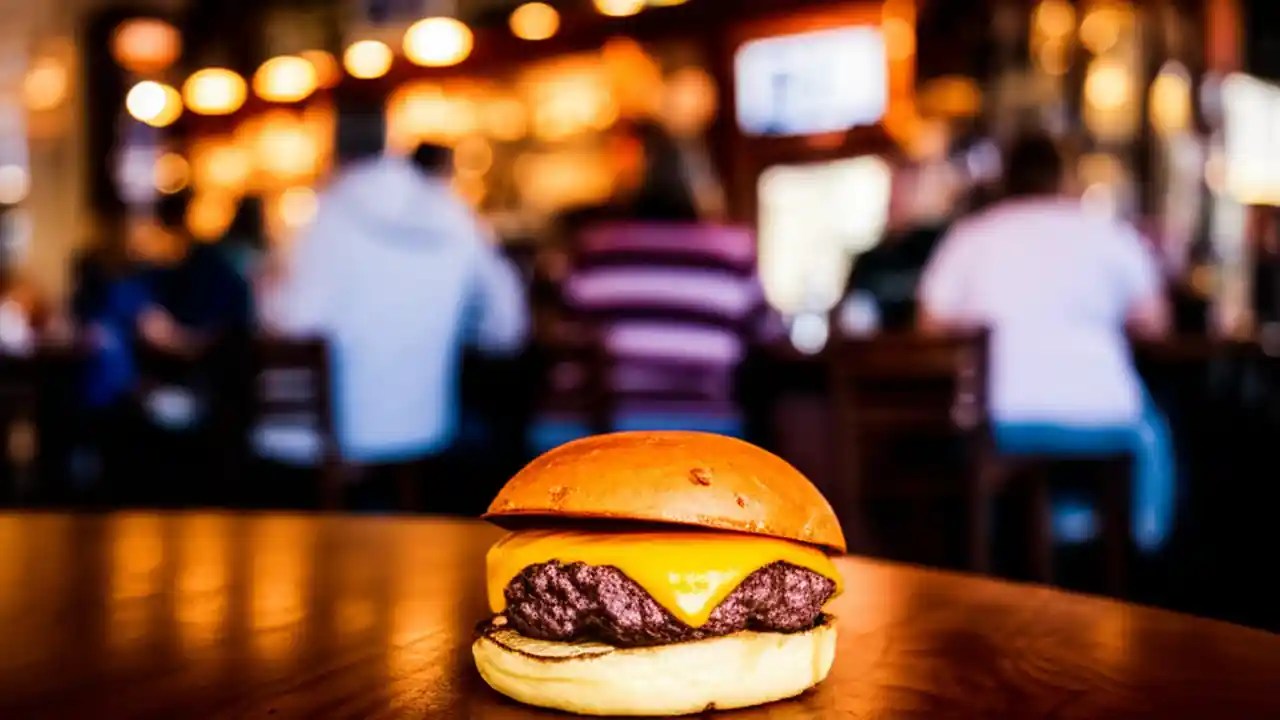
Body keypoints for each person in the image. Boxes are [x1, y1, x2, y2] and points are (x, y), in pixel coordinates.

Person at [918, 132, 1176, 552]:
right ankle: (1138, 550)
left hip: (998, 417)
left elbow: (929, 326)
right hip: (1102, 416)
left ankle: (1043, 539)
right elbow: (1156, 323)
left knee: (1003, 466)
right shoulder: (1104, 232)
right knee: (1152, 433)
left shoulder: (972, 236)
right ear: (1064, 178)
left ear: (1005, 180)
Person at [262, 142, 528, 470]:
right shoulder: (457, 217)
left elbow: (294, 320)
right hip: (424, 426)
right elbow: (506, 326)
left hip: (318, 437)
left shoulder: (331, 212)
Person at [841, 159, 960, 333]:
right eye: (892, 188)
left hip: (928, 353)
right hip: (875, 354)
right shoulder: (868, 261)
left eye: (907, 188)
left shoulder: (943, 246)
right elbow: (849, 322)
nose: (896, 197)